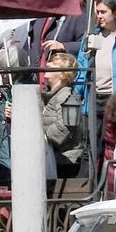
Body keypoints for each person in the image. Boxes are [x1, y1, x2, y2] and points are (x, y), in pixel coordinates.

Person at [40, 48, 84, 178]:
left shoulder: (65, 95)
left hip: (64, 158)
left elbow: (65, 124)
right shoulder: (50, 95)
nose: (48, 65)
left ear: (63, 74)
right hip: (53, 155)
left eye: (54, 64)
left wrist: (44, 138)